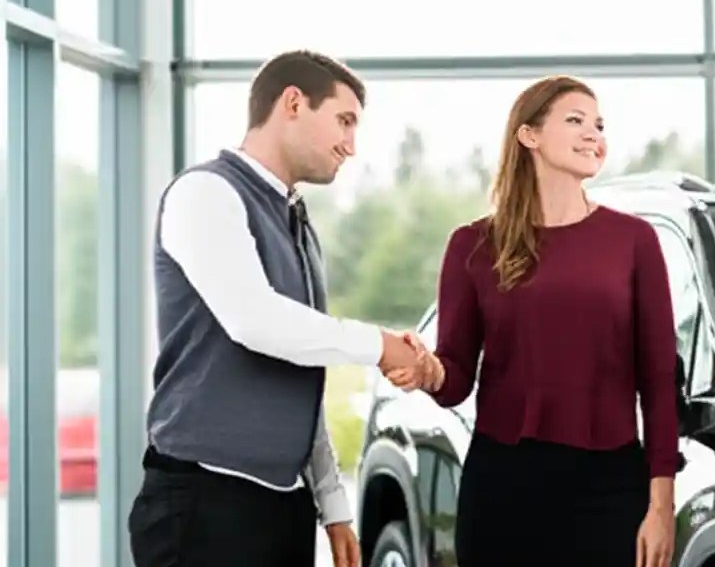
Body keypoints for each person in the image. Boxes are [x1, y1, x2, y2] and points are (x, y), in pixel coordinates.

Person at [128, 49, 438, 567]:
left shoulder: (295, 220)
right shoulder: (205, 192)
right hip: (206, 504)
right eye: (344, 121)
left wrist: (332, 504)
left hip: (280, 507)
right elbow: (257, 322)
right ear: (293, 103)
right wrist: (379, 346)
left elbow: (299, 362)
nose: (351, 146)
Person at [396, 75, 679, 566]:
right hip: (504, 484)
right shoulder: (474, 245)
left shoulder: (634, 241)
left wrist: (661, 507)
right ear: (529, 135)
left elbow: (658, 382)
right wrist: (428, 371)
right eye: (576, 121)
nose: (595, 134)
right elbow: (457, 375)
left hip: (610, 485)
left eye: (600, 125)